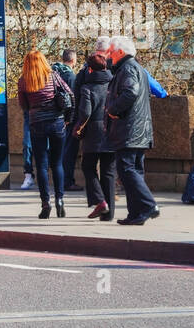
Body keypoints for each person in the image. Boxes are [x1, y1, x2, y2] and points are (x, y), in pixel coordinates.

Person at [103, 36, 159, 227]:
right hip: (139, 129)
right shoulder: (137, 68)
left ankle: (148, 205)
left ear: (120, 52)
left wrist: (113, 109)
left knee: (126, 169)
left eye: (111, 52)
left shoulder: (127, 68)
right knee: (134, 171)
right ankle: (136, 213)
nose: (109, 55)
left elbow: (131, 92)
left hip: (129, 129)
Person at [17, 50, 74, 218]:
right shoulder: (53, 75)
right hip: (57, 123)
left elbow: (23, 105)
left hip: (37, 124)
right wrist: (68, 119)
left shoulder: (24, 81)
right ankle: (60, 200)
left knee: (41, 165)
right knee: (57, 164)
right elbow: (70, 94)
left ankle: (45, 203)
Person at [73, 49, 116, 220]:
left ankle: (100, 201)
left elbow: (85, 112)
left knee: (88, 167)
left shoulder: (87, 88)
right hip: (112, 130)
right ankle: (109, 214)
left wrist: (78, 127)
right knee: (109, 172)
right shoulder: (114, 84)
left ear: (89, 69)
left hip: (93, 133)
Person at [53, 48, 82, 191]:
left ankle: (60, 180)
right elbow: (74, 99)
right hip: (68, 119)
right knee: (69, 151)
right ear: (73, 60)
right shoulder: (71, 77)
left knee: (59, 150)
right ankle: (67, 181)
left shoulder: (54, 72)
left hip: (55, 117)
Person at [20, 111, 35, 190]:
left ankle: (45, 175)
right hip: (30, 113)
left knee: (47, 147)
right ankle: (28, 175)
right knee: (27, 145)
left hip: (45, 114)